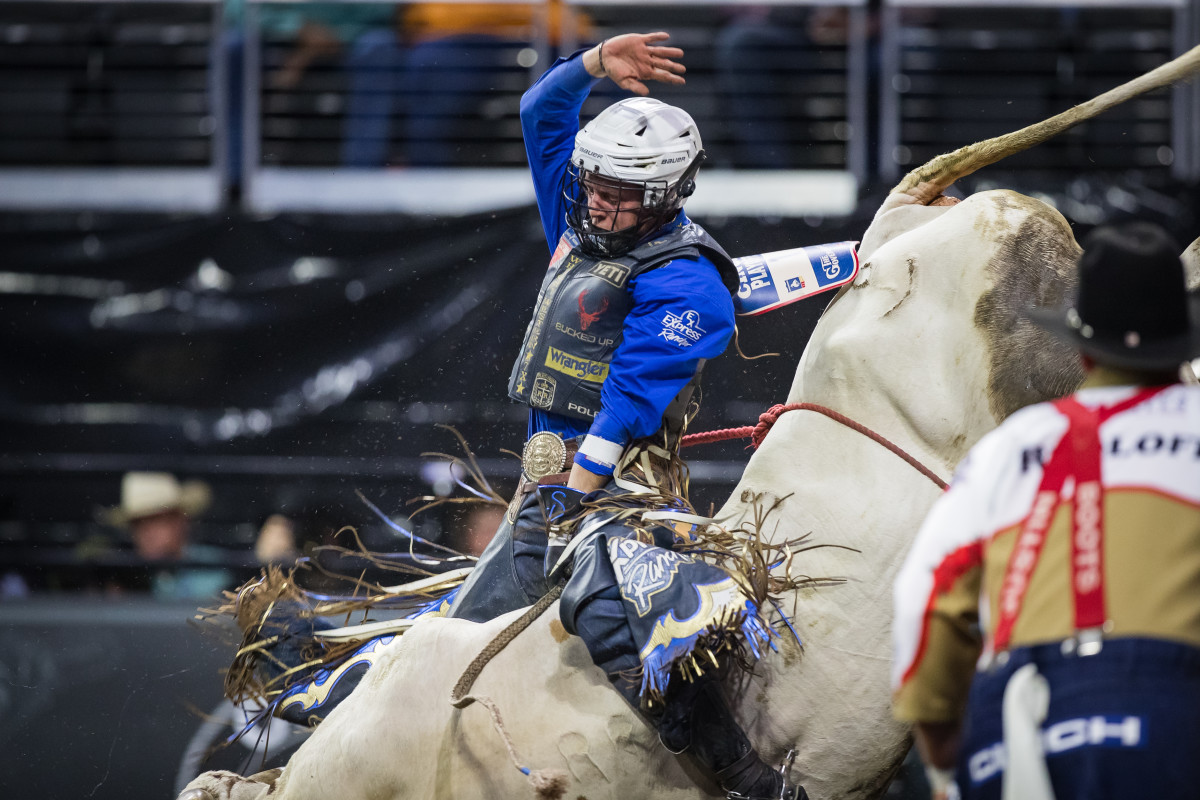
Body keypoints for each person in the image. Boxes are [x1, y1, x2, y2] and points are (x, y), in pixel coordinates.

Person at [890, 222, 1200, 800]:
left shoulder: (1011, 448)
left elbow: (924, 599)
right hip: (1179, 711)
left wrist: (943, 755)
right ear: (1184, 345)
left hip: (1023, 720)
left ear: (1082, 352)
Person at [105, 471, 234, 600]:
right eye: (137, 524)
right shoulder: (124, 575)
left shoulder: (211, 567)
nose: (147, 533)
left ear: (180, 522)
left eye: (156, 521)